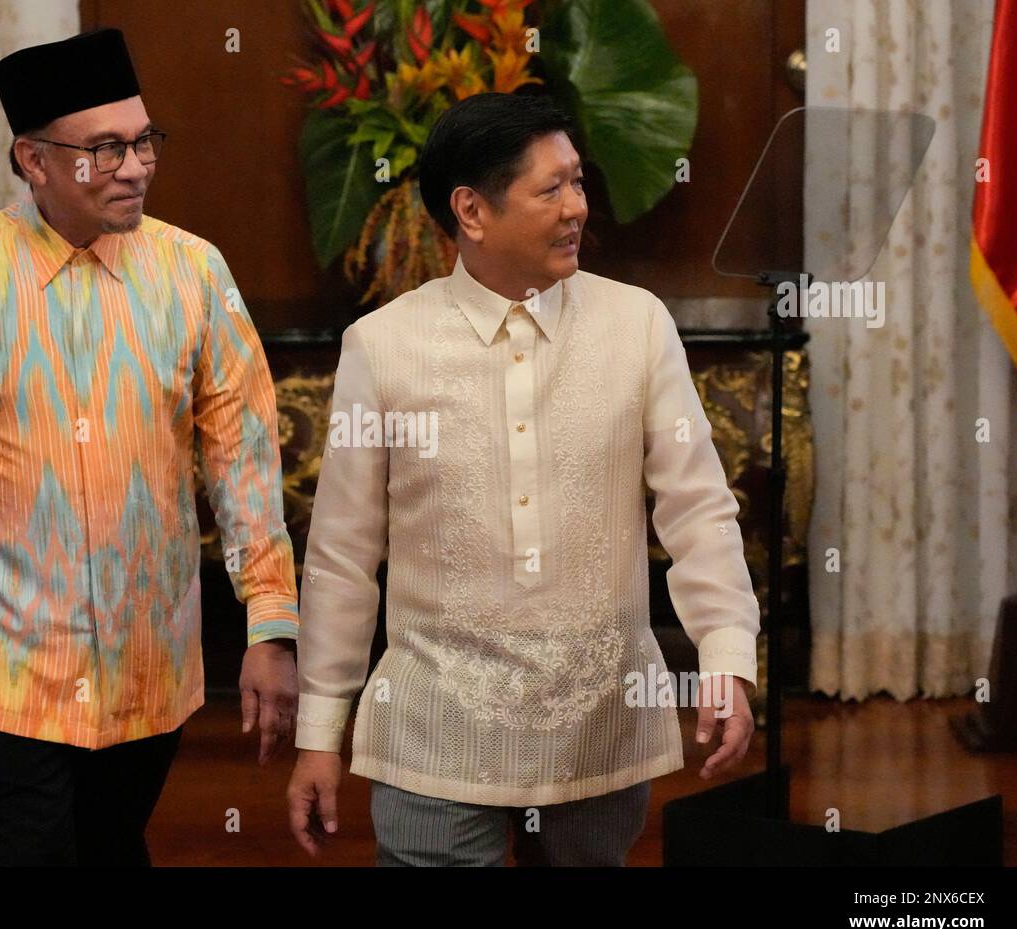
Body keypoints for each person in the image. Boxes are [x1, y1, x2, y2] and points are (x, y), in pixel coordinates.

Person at [0, 28, 299, 866]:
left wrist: (270, 629)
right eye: (104, 148)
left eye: (142, 141)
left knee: (111, 846)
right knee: (25, 848)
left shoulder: (195, 274)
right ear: (34, 160)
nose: (134, 165)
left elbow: (243, 467)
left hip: (147, 664)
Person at [286, 92, 760, 866]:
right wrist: (317, 736)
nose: (577, 207)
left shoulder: (636, 324)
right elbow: (342, 555)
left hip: (599, 723)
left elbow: (698, 511)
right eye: (551, 189)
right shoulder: (382, 346)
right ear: (471, 211)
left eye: (578, 182)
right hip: (435, 728)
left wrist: (727, 659)